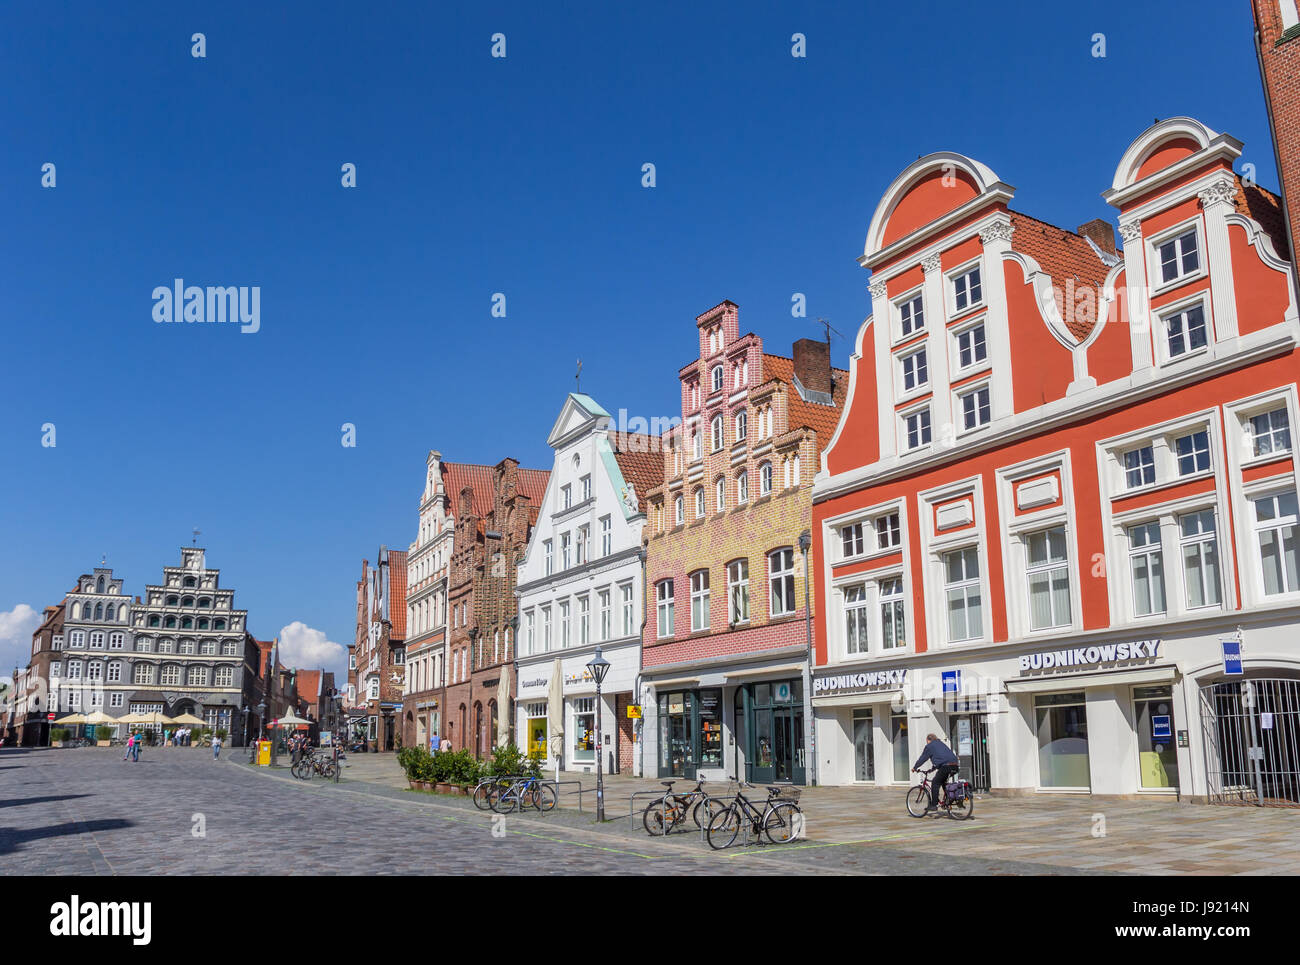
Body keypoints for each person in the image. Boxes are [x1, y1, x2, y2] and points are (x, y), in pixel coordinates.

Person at [913, 733, 959, 812]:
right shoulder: (940, 744)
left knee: (935, 783)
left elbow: (923, 758)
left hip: (946, 767)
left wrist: (915, 767)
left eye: (926, 741)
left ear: (928, 740)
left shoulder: (930, 746)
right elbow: (941, 759)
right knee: (943, 781)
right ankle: (948, 800)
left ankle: (934, 805)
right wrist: (932, 770)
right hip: (955, 766)